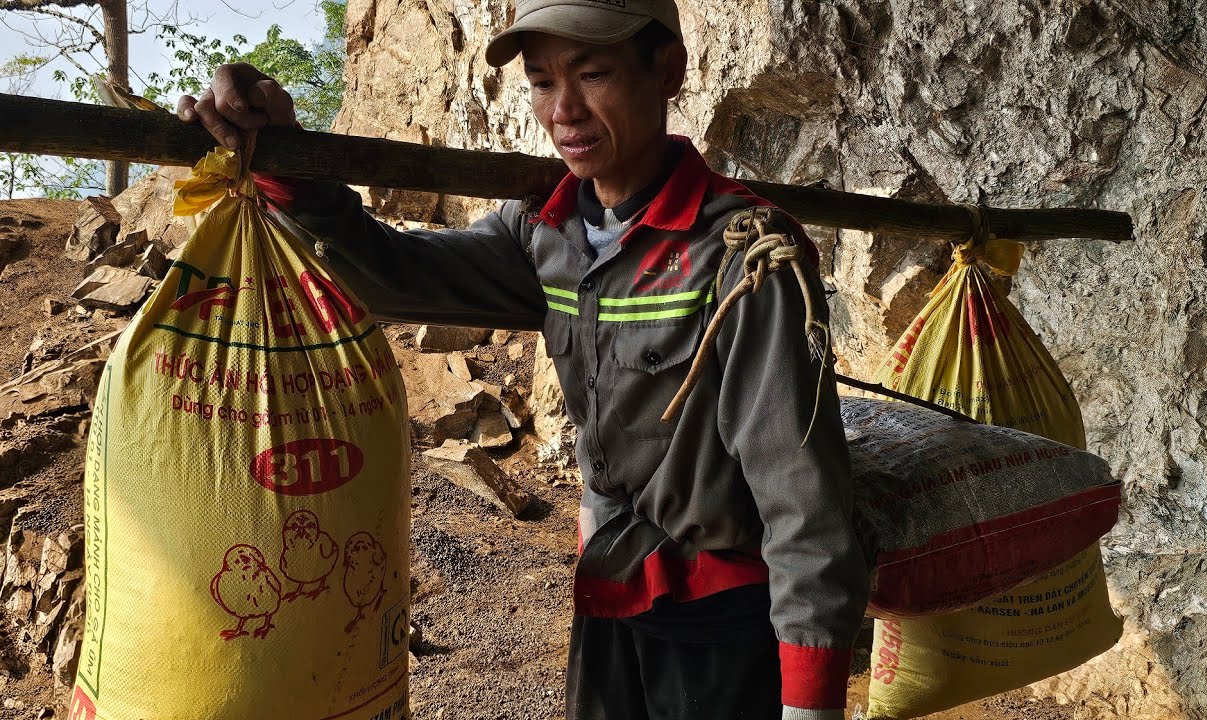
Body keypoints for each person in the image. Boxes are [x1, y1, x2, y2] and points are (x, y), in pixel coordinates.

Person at [178, 1, 868, 718]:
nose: (562, 108)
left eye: (592, 73)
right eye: (541, 82)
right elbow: (394, 274)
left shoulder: (741, 257)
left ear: (668, 68)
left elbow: (803, 495)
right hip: (608, 589)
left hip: (722, 626)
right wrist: (288, 166)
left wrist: (810, 703)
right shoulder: (547, 234)